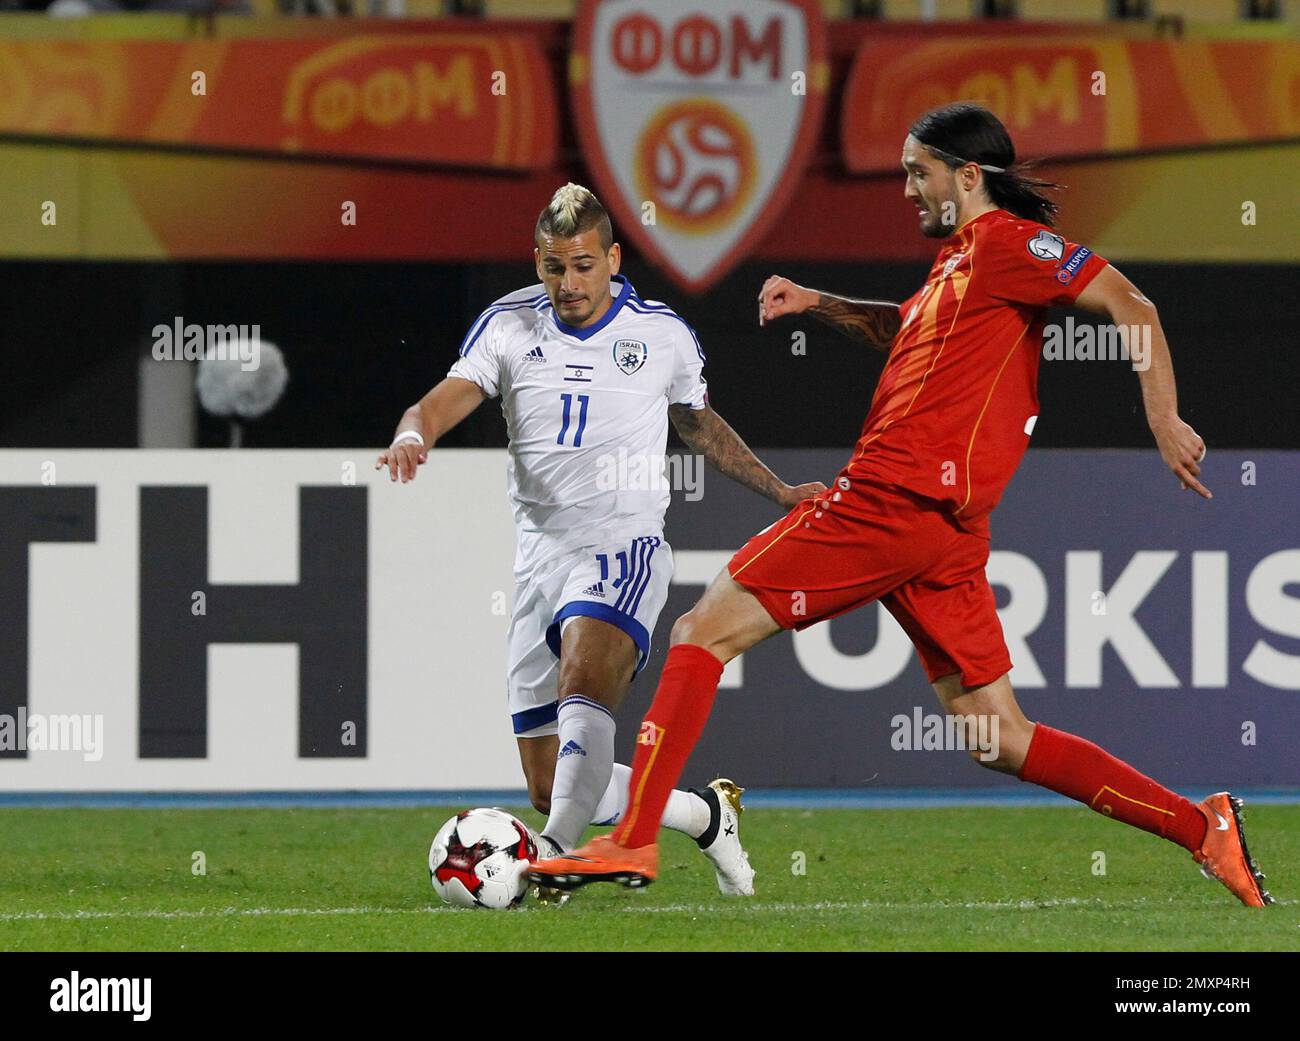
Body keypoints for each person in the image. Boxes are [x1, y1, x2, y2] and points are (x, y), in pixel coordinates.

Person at [530, 104, 1272, 909]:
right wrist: (816, 302)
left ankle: (633, 837)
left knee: (703, 628)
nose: (908, 188)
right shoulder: (959, 265)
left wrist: (1163, 416)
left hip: (894, 495)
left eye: (919, 172)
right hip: (941, 529)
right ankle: (1203, 827)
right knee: (998, 736)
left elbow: (1135, 307)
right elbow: (909, 331)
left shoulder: (1010, 244)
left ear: (968, 175)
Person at [376, 183, 825, 898]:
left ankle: (557, 857)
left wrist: (779, 491)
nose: (569, 283)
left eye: (584, 265)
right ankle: (705, 814)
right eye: (554, 267)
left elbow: (698, 423)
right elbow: (440, 400)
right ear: (537, 263)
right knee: (551, 779)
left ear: (613, 258)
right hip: (538, 557)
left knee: (584, 679)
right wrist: (412, 433)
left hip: (623, 543)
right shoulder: (507, 325)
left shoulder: (661, 333)